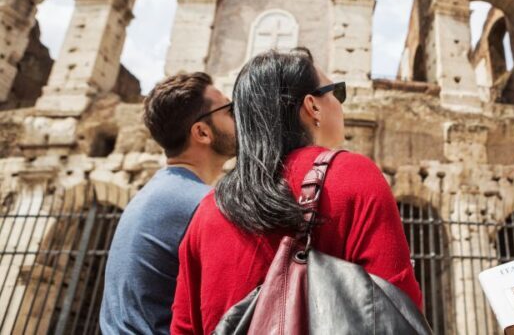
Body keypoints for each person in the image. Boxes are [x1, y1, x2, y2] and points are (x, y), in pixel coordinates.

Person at [171, 48, 423, 334]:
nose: (341, 104)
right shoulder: (353, 175)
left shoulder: (207, 210)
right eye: (336, 93)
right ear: (312, 106)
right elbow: (398, 309)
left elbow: (184, 327)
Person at [100, 73, 236, 335]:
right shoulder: (202, 204)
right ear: (202, 132)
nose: (239, 117)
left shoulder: (152, 194)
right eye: (230, 110)